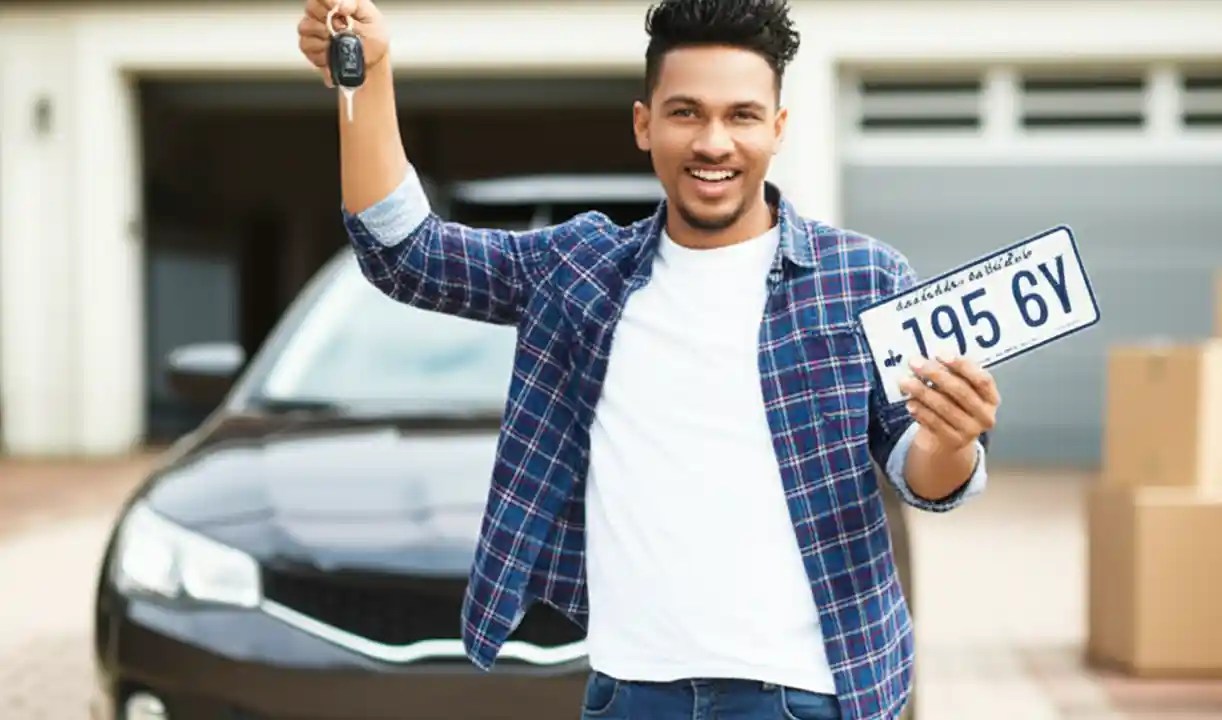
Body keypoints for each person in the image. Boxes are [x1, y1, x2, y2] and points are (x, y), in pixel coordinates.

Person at [296, 0, 1000, 718]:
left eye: (743, 116)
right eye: (687, 113)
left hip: (805, 696)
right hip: (630, 694)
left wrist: (950, 439)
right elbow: (405, 253)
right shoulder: (579, 270)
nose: (714, 142)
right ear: (645, 123)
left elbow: (921, 474)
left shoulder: (865, 277)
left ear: (778, 128)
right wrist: (369, 76)